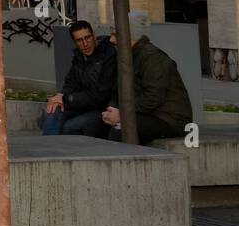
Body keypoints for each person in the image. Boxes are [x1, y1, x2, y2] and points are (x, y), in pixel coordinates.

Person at [101, 12, 193, 144]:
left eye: (115, 34)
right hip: (149, 114)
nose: (111, 40)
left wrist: (122, 114)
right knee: (98, 126)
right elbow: (118, 90)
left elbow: (153, 97)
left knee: (120, 130)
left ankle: (126, 164)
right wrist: (112, 109)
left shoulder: (153, 58)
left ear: (129, 35)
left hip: (169, 119)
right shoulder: (127, 57)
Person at [41, 20, 115, 137]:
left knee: (70, 127)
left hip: (103, 108)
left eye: (87, 38)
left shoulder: (108, 53)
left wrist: (67, 99)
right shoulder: (79, 57)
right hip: (83, 105)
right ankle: (49, 151)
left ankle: (58, 150)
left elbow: (100, 95)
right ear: (74, 42)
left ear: (94, 35)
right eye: (79, 40)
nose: (85, 44)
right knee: (52, 112)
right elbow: (71, 82)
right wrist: (60, 97)